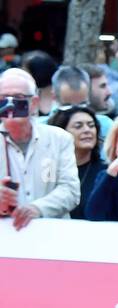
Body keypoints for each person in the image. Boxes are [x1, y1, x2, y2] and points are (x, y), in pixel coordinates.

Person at [0, 68, 79, 228]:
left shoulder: (59, 139)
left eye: (18, 98)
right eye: (3, 98)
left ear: (34, 103)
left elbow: (70, 191)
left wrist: (37, 208)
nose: (10, 104)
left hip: (52, 237)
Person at [47, 105, 104, 218]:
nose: (87, 130)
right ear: (61, 133)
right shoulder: (48, 169)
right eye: (78, 126)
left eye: (91, 125)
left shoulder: (107, 171)